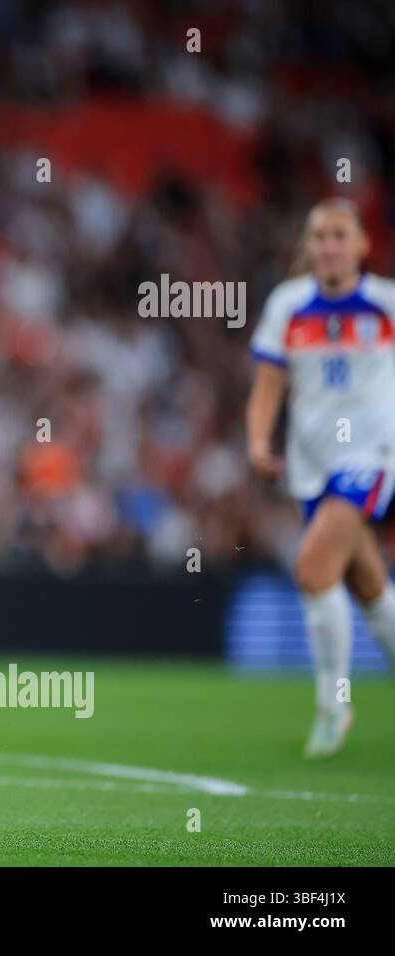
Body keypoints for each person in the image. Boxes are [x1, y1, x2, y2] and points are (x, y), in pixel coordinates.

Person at [247, 197, 395, 757]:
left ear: (361, 244)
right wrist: (259, 440)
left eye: (339, 235)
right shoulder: (288, 305)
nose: (329, 245)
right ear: (308, 247)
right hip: (312, 469)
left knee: (312, 567)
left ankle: (334, 705)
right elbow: (268, 385)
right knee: (369, 588)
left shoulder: (385, 303)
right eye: (319, 236)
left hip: (373, 458)